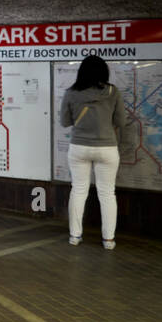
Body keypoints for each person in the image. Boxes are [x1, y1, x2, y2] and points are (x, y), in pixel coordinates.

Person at [60, 54, 129, 250]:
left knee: (79, 190)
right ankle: (109, 240)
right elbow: (121, 122)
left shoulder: (71, 93)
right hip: (107, 148)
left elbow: (65, 122)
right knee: (107, 193)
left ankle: (75, 236)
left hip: (79, 147)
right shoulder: (112, 92)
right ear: (103, 72)